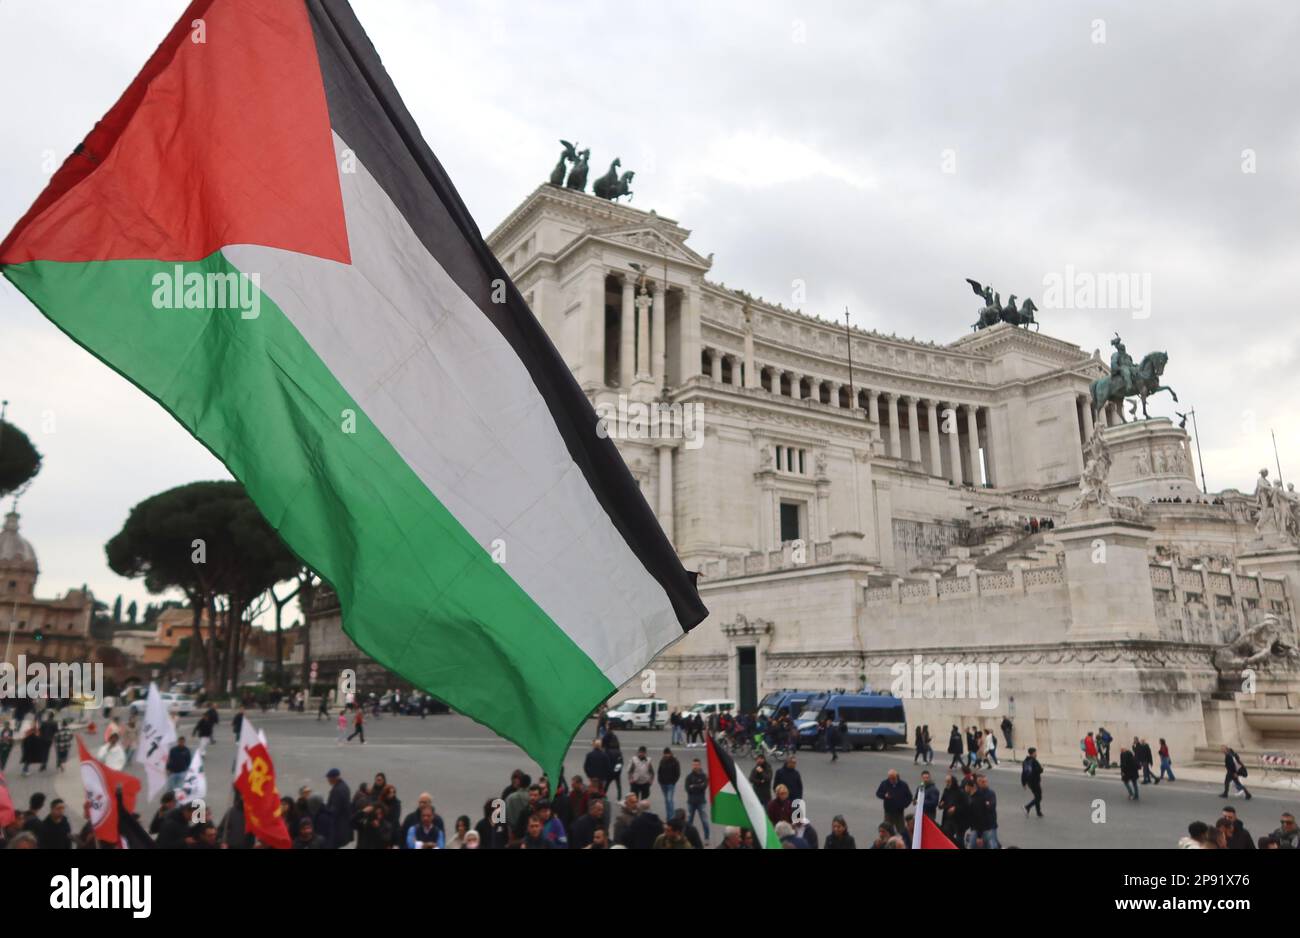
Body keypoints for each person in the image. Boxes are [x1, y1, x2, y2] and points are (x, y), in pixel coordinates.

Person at [322, 768, 354, 848]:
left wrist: (323, 809)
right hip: (344, 825)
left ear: (334, 778)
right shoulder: (344, 786)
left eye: (329, 778)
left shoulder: (338, 790)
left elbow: (334, 810)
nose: (328, 780)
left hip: (338, 827)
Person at [876, 769, 911, 834]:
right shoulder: (884, 783)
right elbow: (878, 793)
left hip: (899, 812)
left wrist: (904, 805)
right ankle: (889, 842)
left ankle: (903, 842)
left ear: (897, 777)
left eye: (893, 778)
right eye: (890, 778)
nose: (891, 780)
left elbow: (909, 797)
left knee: (901, 830)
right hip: (888, 812)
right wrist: (884, 795)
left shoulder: (903, 785)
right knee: (887, 830)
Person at [684, 757, 710, 842]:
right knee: (689, 822)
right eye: (694, 765)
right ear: (692, 765)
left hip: (701, 802)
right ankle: (687, 838)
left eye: (697, 765)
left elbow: (704, 787)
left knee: (705, 821)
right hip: (691, 802)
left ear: (700, 766)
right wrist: (698, 786)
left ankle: (706, 838)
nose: (695, 766)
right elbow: (687, 789)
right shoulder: (689, 777)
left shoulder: (704, 776)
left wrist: (694, 786)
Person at [971, 774, 1000, 849]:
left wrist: (984, 804)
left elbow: (990, 807)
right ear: (978, 783)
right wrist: (985, 803)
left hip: (990, 826)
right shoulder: (975, 794)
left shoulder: (991, 793)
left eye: (986, 781)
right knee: (974, 845)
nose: (985, 783)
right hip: (977, 828)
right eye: (982, 782)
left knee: (992, 845)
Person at [1021, 747, 1044, 817]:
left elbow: (1023, 773)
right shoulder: (1034, 761)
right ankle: (1027, 807)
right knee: (1039, 797)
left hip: (1029, 783)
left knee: (1036, 796)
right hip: (1035, 782)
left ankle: (1038, 812)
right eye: (1035, 753)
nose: (1036, 754)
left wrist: (1023, 783)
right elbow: (1040, 770)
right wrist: (1042, 768)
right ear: (1033, 753)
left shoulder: (1025, 761)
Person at [657, 746, 680, 817]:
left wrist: (673, 782)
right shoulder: (662, 761)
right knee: (667, 801)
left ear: (670, 754)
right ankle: (669, 816)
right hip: (663, 784)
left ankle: (672, 817)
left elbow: (678, 773)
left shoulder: (675, 761)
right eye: (665, 754)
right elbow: (659, 771)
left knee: (669, 800)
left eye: (667, 754)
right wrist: (660, 780)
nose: (666, 755)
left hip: (670, 784)